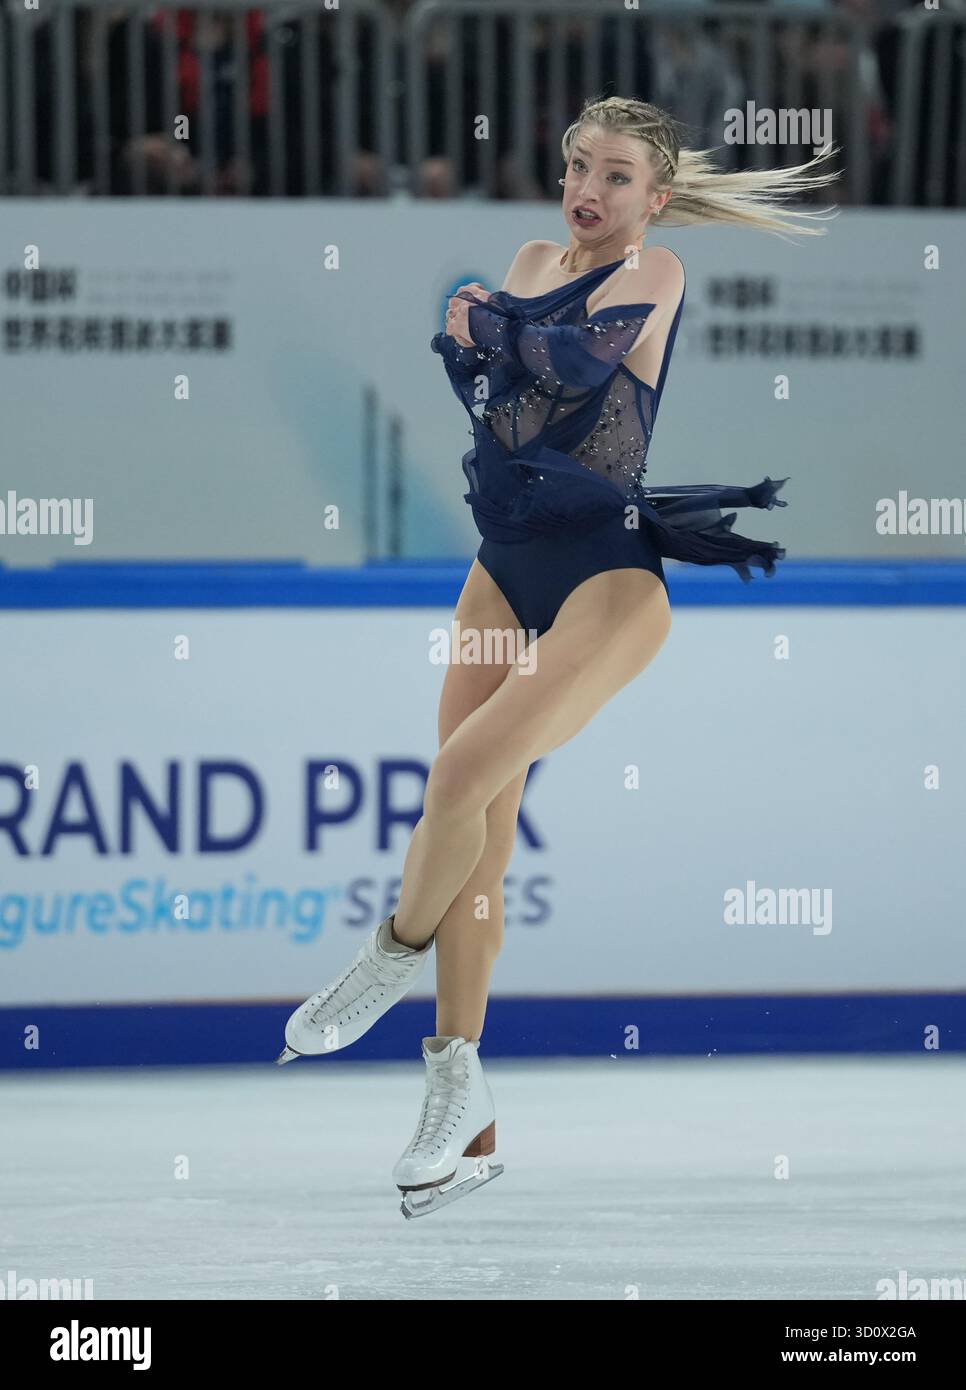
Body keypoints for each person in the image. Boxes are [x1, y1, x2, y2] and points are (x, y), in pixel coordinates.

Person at [276, 97, 840, 1219]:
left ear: (655, 197)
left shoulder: (660, 273)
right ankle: (463, 1109)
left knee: (457, 781)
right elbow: (505, 400)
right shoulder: (535, 256)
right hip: (501, 568)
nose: (589, 188)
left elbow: (568, 370)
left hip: (608, 585)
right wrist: (493, 336)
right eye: (580, 164)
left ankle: (392, 952)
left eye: (618, 176)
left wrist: (490, 330)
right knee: (476, 837)